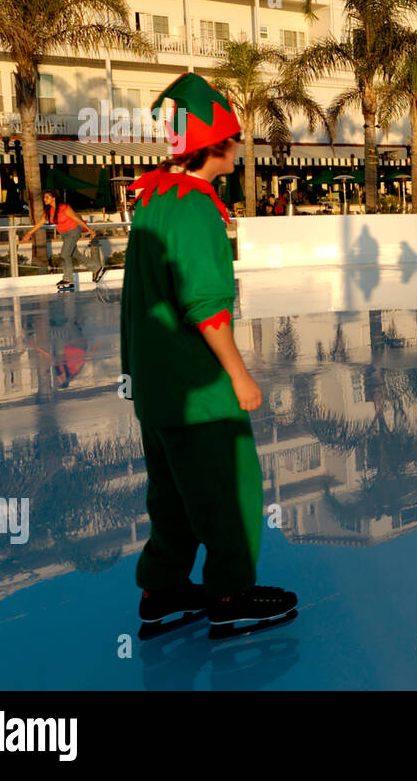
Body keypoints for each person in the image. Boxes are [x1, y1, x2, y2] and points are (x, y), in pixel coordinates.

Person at [122, 72, 297, 640]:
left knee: (172, 494)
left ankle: (164, 589)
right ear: (217, 144)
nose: (240, 146)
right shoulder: (195, 207)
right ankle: (229, 593)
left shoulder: (153, 200)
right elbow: (206, 306)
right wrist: (240, 376)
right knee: (228, 486)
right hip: (197, 385)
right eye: (235, 137)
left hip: (156, 385)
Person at [21, 190, 105, 289]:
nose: (44, 199)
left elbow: (76, 219)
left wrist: (89, 230)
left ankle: (68, 279)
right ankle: (97, 268)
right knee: (75, 254)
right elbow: (40, 223)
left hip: (73, 232)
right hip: (64, 234)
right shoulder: (49, 210)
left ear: (54, 198)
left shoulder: (64, 208)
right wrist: (29, 233)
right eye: (44, 197)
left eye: (47, 197)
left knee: (65, 254)